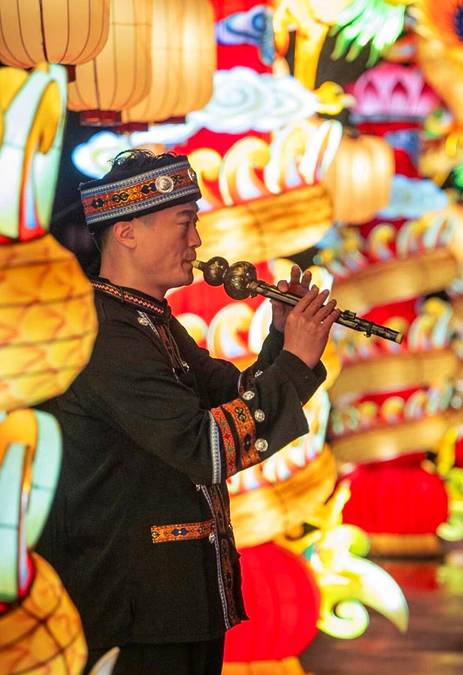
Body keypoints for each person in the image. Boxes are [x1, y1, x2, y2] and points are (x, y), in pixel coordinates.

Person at [35, 150, 337, 674]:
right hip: (133, 607)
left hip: (174, 603)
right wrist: (292, 364)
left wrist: (282, 339)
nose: (196, 241)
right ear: (128, 232)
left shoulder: (148, 321)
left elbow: (232, 394)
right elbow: (207, 447)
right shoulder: (106, 333)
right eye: (185, 223)